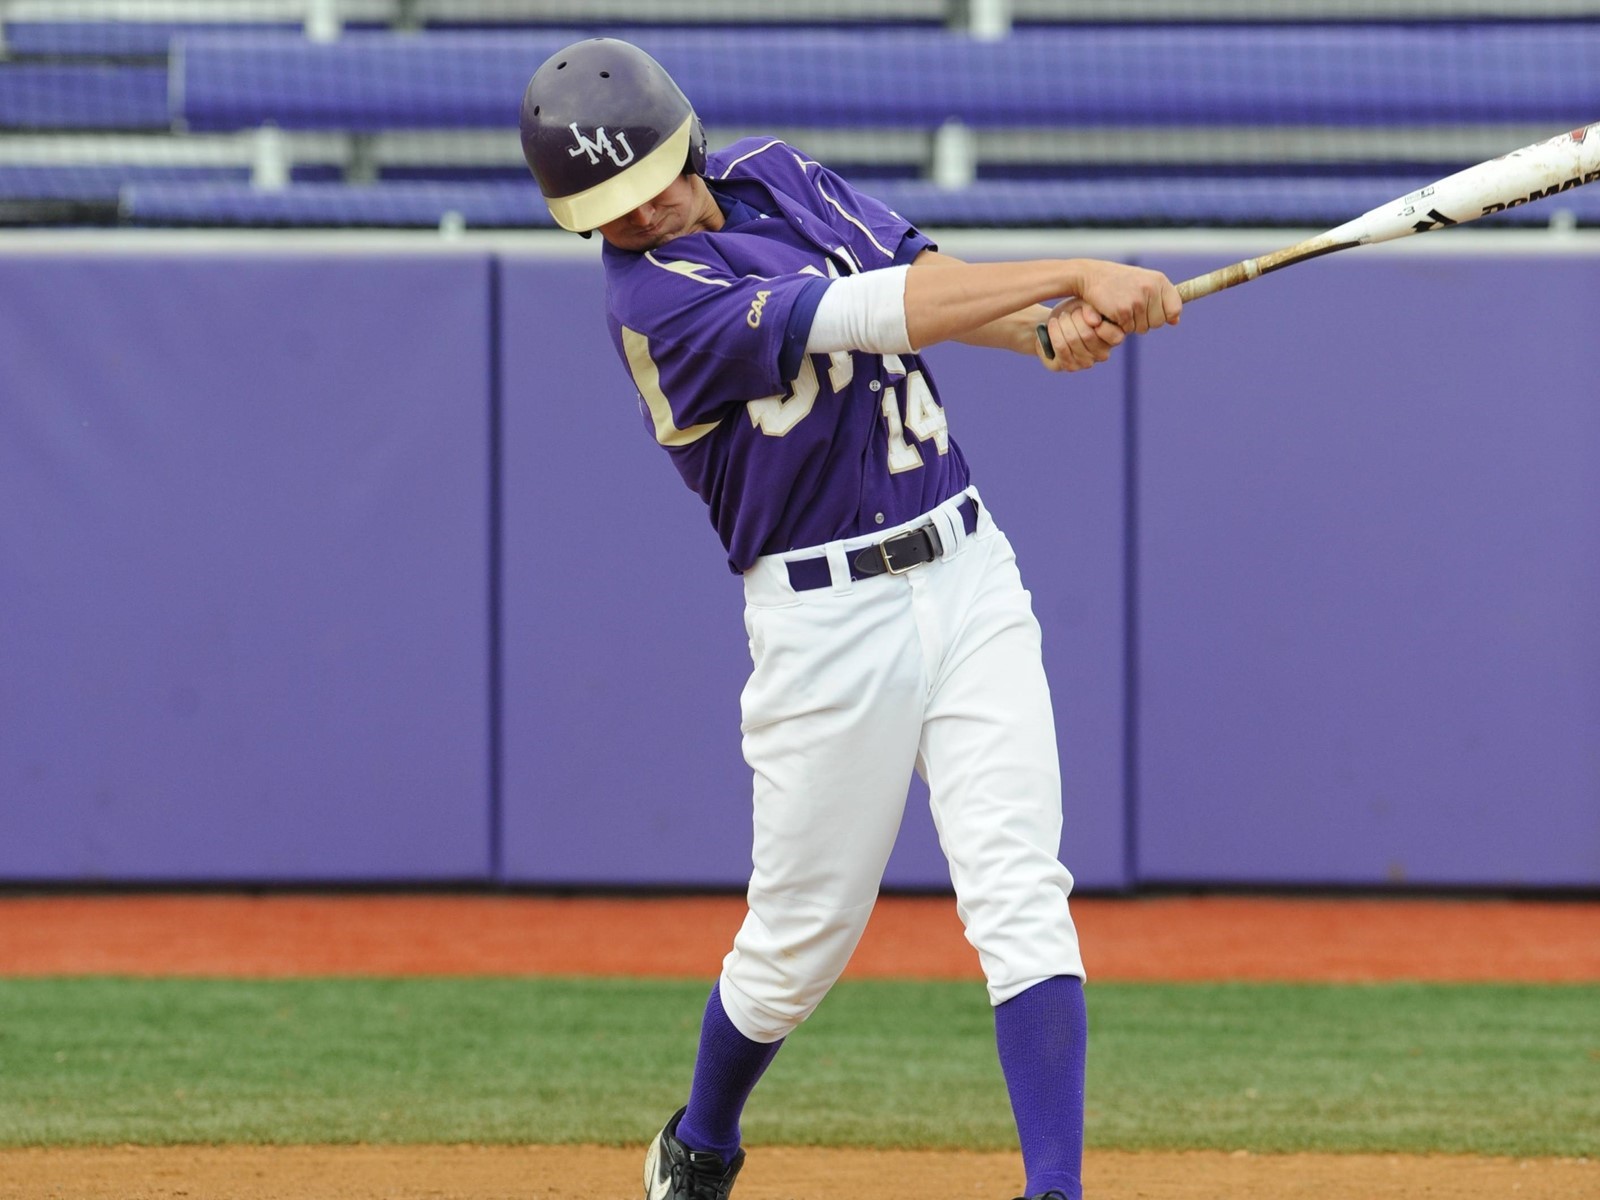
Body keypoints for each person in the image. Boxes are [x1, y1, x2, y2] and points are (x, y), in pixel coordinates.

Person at [518, 37, 1181, 1200]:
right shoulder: (652, 304)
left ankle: (1055, 1189)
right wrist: (1074, 272)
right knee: (794, 950)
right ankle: (703, 1142)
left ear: (688, 139)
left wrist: (1035, 331)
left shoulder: (775, 171)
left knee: (1019, 888)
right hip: (825, 626)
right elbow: (871, 309)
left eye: (655, 181)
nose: (645, 214)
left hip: (970, 568)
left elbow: (927, 280)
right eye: (611, 209)